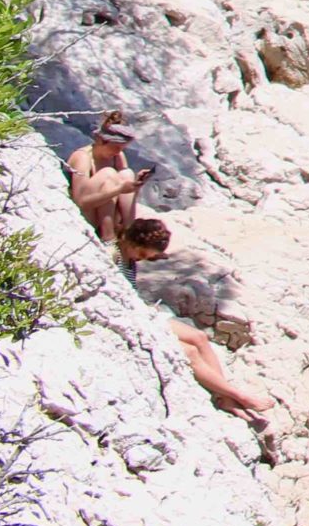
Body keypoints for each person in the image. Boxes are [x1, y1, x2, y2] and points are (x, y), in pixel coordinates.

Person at [117, 220, 277, 432]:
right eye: (144, 254)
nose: (144, 259)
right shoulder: (114, 258)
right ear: (132, 242)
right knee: (190, 352)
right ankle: (237, 395)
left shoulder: (129, 259)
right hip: (130, 318)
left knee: (199, 337)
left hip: (141, 312)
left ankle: (225, 396)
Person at [67, 112, 149, 241]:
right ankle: (108, 238)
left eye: (122, 148)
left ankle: (128, 233)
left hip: (108, 215)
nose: (118, 152)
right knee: (108, 174)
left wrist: (135, 186)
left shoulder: (117, 157)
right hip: (85, 214)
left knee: (127, 174)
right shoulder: (83, 157)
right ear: (100, 140)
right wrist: (119, 189)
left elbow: (124, 195)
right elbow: (81, 202)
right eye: (115, 147)